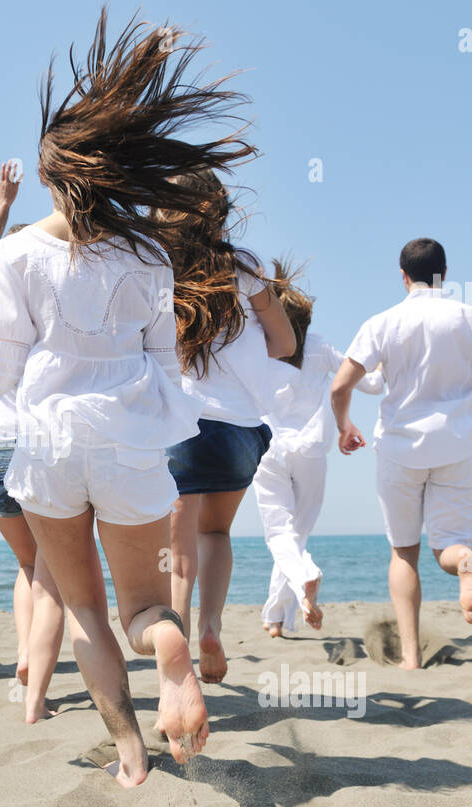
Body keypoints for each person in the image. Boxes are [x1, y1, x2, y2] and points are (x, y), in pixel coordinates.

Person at [0, 11, 255, 785]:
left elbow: (0, 367)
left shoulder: (18, 251)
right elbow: (164, 361)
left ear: (54, 176)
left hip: (48, 446)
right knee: (143, 607)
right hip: (128, 445)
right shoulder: (150, 253)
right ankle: (169, 648)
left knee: (83, 610)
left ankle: (130, 754)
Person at [331, 238, 472, 669]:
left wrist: (344, 426)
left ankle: (411, 657)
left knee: (405, 552)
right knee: (449, 547)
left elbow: (340, 386)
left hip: (400, 448)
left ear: (403, 276)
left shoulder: (384, 322)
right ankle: (465, 563)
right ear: (445, 273)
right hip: (457, 446)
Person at [153, 169, 297, 683]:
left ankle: (178, 653)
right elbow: (284, 345)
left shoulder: (152, 264)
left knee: (176, 551)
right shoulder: (244, 265)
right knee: (216, 531)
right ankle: (212, 626)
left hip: (178, 425)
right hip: (238, 431)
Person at [0, 147, 67, 722]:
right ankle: (37, 688)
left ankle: (25, 653)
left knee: (28, 568)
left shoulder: (1, 313)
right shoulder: (53, 314)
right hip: (43, 451)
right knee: (52, 573)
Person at [252, 260, 383, 637]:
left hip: (267, 451)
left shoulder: (259, 349)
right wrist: (386, 359)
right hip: (310, 452)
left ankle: (278, 615)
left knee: (280, 534)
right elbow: (371, 385)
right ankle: (280, 613)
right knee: (297, 534)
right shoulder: (319, 346)